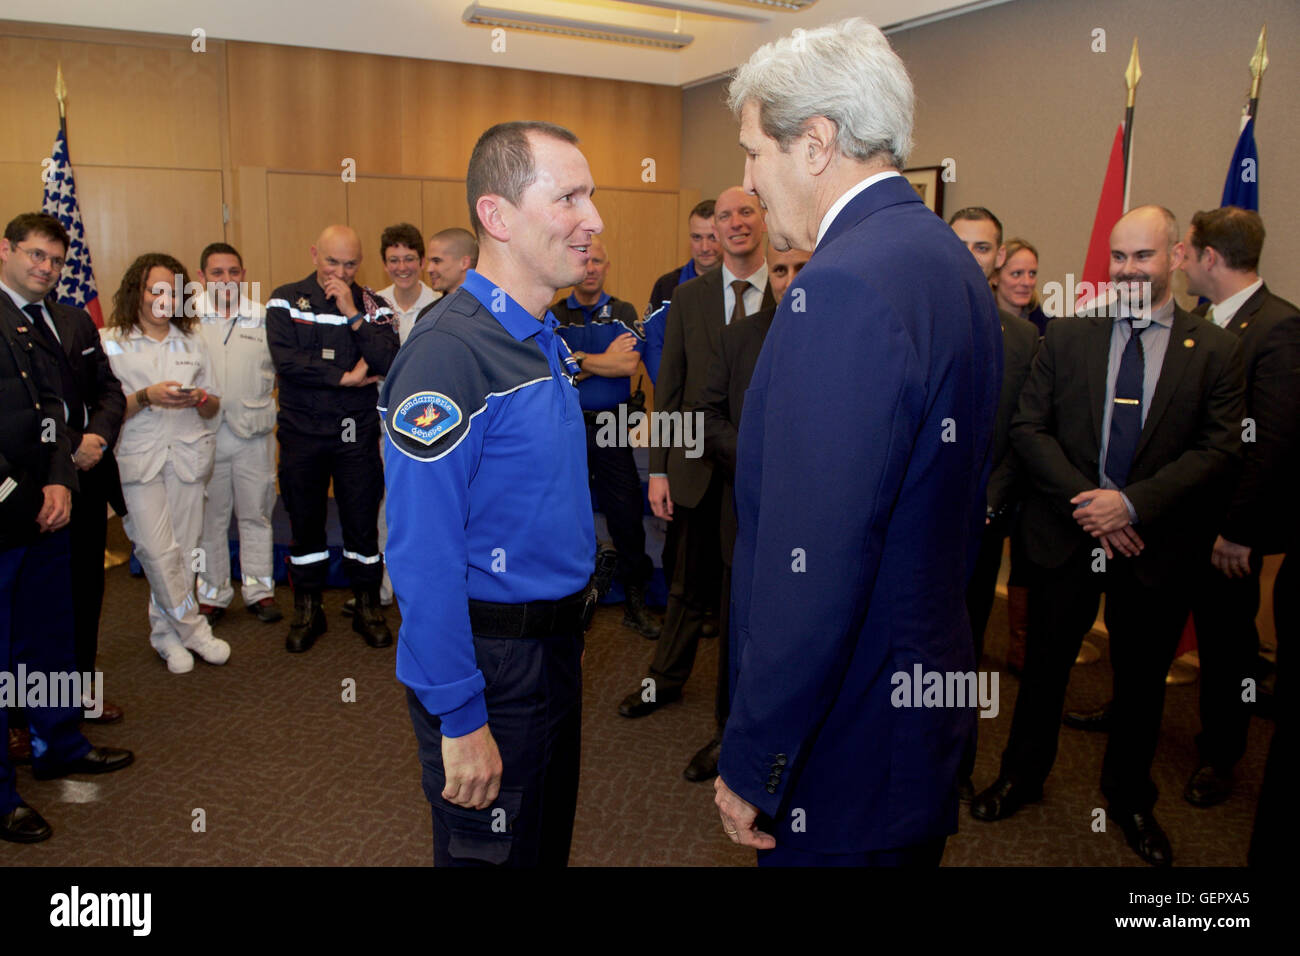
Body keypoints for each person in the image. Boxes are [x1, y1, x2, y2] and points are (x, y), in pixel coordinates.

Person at [714, 19, 1001, 867]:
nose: (747, 181)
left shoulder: (841, 288)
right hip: (912, 717)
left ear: (816, 142)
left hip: (844, 742)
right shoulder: (940, 259)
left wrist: (755, 756)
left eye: (753, 152)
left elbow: (816, 561)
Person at [970, 206, 1244, 867]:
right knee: (1043, 674)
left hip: (1152, 546)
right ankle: (1021, 776)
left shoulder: (1214, 350)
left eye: (1141, 256)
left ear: (1175, 257)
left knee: (1142, 681)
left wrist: (1132, 506)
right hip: (1066, 534)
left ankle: (1128, 798)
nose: (1126, 269)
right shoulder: (1067, 335)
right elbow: (1029, 429)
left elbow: (1219, 449)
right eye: (1117, 257)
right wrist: (1090, 506)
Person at [382, 121, 600, 867]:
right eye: (568, 196)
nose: (593, 219)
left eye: (591, 196)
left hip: (553, 651)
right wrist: (460, 713)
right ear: (497, 216)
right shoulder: (449, 354)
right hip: (493, 665)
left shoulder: (539, 335)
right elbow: (421, 556)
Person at [617, 185, 773, 723]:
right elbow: (672, 390)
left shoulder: (790, 293)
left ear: (763, 220)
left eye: (745, 212)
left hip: (758, 474)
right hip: (694, 469)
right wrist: (659, 469)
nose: (735, 224)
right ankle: (664, 681)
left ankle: (742, 707)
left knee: (744, 596)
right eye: (724, 216)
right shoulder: (689, 298)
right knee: (685, 586)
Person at [1, 234, 133, 842]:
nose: (47, 267)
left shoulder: (56, 325)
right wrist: (28, 495)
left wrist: (58, 483)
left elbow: (53, 408)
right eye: (34, 254)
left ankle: (59, 741)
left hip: (55, 508)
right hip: (7, 513)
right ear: (5, 251)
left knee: (50, 638)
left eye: (55, 258)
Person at [1179, 208, 1298, 806]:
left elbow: (1272, 443)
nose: (1181, 259)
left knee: (1227, 650)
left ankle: (1221, 756)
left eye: (1187, 249)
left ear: (1209, 258)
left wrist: (1238, 532)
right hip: (1181, 518)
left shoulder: (1280, 328)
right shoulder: (1203, 319)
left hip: (1228, 533)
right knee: (1154, 625)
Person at [684, 243, 806, 784]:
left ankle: (796, 747)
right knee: (740, 637)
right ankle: (726, 734)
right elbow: (704, 415)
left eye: (803, 267)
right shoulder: (739, 338)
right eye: (780, 269)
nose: (791, 278)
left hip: (819, 524)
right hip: (750, 516)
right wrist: (759, 458)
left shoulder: (847, 336)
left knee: (804, 638)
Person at [266, 225, 399, 652]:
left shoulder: (373, 305)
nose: (339, 272)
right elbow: (287, 362)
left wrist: (351, 312)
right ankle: (308, 607)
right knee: (304, 524)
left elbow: (387, 359)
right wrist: (343, 377)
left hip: (354, 434)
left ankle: (366, 605)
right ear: (313, 254)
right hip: (302, 433)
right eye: (331, 262)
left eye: (349, 263)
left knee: (361, 524)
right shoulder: (285, 299)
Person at [102, 253, 231, 674]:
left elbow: (214, 405)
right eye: (154, 289)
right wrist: (145, 397)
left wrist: (200, 398)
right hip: (139, 461)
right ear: (135, 292)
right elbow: (101, 414)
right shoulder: (110, 341)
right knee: (157, 553)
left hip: (189, 457)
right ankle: (192, 627)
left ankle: (166, 634)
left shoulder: (192, 341)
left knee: (186, 552)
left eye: (170, 291)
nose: (162, 298)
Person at [948, 207, 1038, 798]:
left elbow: (1025, 430)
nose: (973, 257)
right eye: (962, 245)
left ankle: (953, 763)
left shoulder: (1026, 339)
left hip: (981, 521)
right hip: (910, 518)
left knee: (965, 647)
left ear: (998, 258)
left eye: (984, 248)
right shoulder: (912, 315)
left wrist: (990, 499)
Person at [552, 235, 660, 639]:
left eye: (598, 260)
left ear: (606, 266)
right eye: (585, 258)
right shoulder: (555, 314)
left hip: (613, 425)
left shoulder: (624, 311)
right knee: (564, 512)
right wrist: (599, 362)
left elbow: (628, 364)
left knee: (626, 513)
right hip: (569, 426)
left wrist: (578, 359)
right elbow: (554, 372)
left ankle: (634, 600)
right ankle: (571, 598)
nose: (591, 266)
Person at [194, 242, 281, 626]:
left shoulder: (264, 318)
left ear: (243, 276)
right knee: (210, 520)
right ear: (202, 278)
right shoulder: (188, 321)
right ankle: (212, 594)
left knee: (257, 515)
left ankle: (259, 591)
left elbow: (284, 369)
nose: (226, 280)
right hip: (204, 435)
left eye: (233, 272)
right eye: (217, 273)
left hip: (254, 435)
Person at [642, 200, 719, 383]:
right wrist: (668, 392)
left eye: (712, 237)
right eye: (697, 237)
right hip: (679, 400)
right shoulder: (667, 286)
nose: (705, 247)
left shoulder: (738, 287)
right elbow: (653, 345)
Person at [377, 223, 438, 346]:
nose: (402, 267)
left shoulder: (437, 302)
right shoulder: (376, 305)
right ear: (385, 265)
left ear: (422, 262)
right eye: (394, 260)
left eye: (409, 259)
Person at [992, 238, 1050, 336]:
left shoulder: (1048, 331)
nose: (1027, 282)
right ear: (995, 277)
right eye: (1016, 274)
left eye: (1032, 273)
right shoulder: (978, 326)